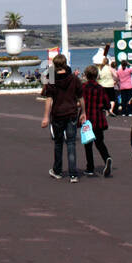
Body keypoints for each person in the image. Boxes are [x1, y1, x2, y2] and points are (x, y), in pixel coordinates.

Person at [41, 54, 86, 182]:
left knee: (58, 142)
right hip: (71, 112)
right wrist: (83, 112)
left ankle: (57, 170)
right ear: (65, 64)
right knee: (71, 143)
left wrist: (45, 117)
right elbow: (81, 97)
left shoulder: (52, 79)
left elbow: (49, 99)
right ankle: (73, 174)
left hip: (57, 114)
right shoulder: (74, 78)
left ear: (55, 65)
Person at [80, 65, 113, 177]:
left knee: (88, 144)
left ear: (86, 75)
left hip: (87, 119)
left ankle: (90, 168)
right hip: (98, 118)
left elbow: (79, 101)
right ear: (97, 75)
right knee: (99, 142)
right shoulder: (100, 88)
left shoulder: (83, 87)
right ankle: (106, 158)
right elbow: (107, 104)